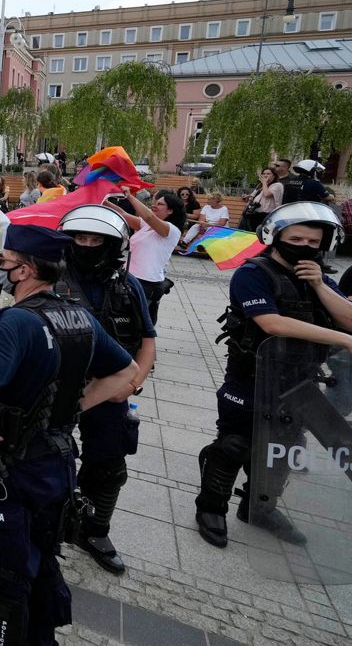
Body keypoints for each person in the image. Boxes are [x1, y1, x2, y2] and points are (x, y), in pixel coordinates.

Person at [0, 225, 140, 645]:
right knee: (43, 555)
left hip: (8, 471)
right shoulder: (80, 316)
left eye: (5, 260)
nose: (1, 267)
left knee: (4, 577)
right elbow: (128, 372)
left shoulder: (13, 323)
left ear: (27, 269)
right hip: (57, 465)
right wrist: (72, 409)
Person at [194, 202, 352, 548]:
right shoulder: (254, 274)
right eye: (296, 238)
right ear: (276, 236)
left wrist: (321, 287)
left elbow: (350, 318)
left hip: (299, 381)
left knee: (285, 448)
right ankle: (211, 507)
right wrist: (341, 338)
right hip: (250, 377)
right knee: (235, 444)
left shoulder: (317, 276)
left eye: (313, 242)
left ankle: (259, 509)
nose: (304, 246)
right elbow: (271, 323)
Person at [56, 205, 156, 574]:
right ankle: (48, 527)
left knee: (110, 466)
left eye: (95, 239)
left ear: (111, 243)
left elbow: (147, 341)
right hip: (58, 391)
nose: (86, 245)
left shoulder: (127, 286)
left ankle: (95, 530)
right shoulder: (49, 281)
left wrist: (132, 382)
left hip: (112, 390)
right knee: (47, 462)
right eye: (80, 238)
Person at [113, 187, 184, 324]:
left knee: (137, 323)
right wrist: (101, 198)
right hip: (129, 277)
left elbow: (148, 216)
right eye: (155, 202)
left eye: (160, 204)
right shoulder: (147, 225)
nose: (154, 205)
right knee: (122, 319)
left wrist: (129, 195)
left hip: (146, 283)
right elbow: (122, 214)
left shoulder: (171, 230)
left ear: (170, 211)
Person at [241, 167, 283, 231]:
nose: (265, 175)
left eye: (268, 174)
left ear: (274, 175)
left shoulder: (277, 185)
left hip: (267, 215)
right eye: (264, 174)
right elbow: (252, 197)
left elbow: (266, 194)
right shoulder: (261, 185)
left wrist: (264, 182)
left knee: (261, 234)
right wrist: (247, 197)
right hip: (255, 213)